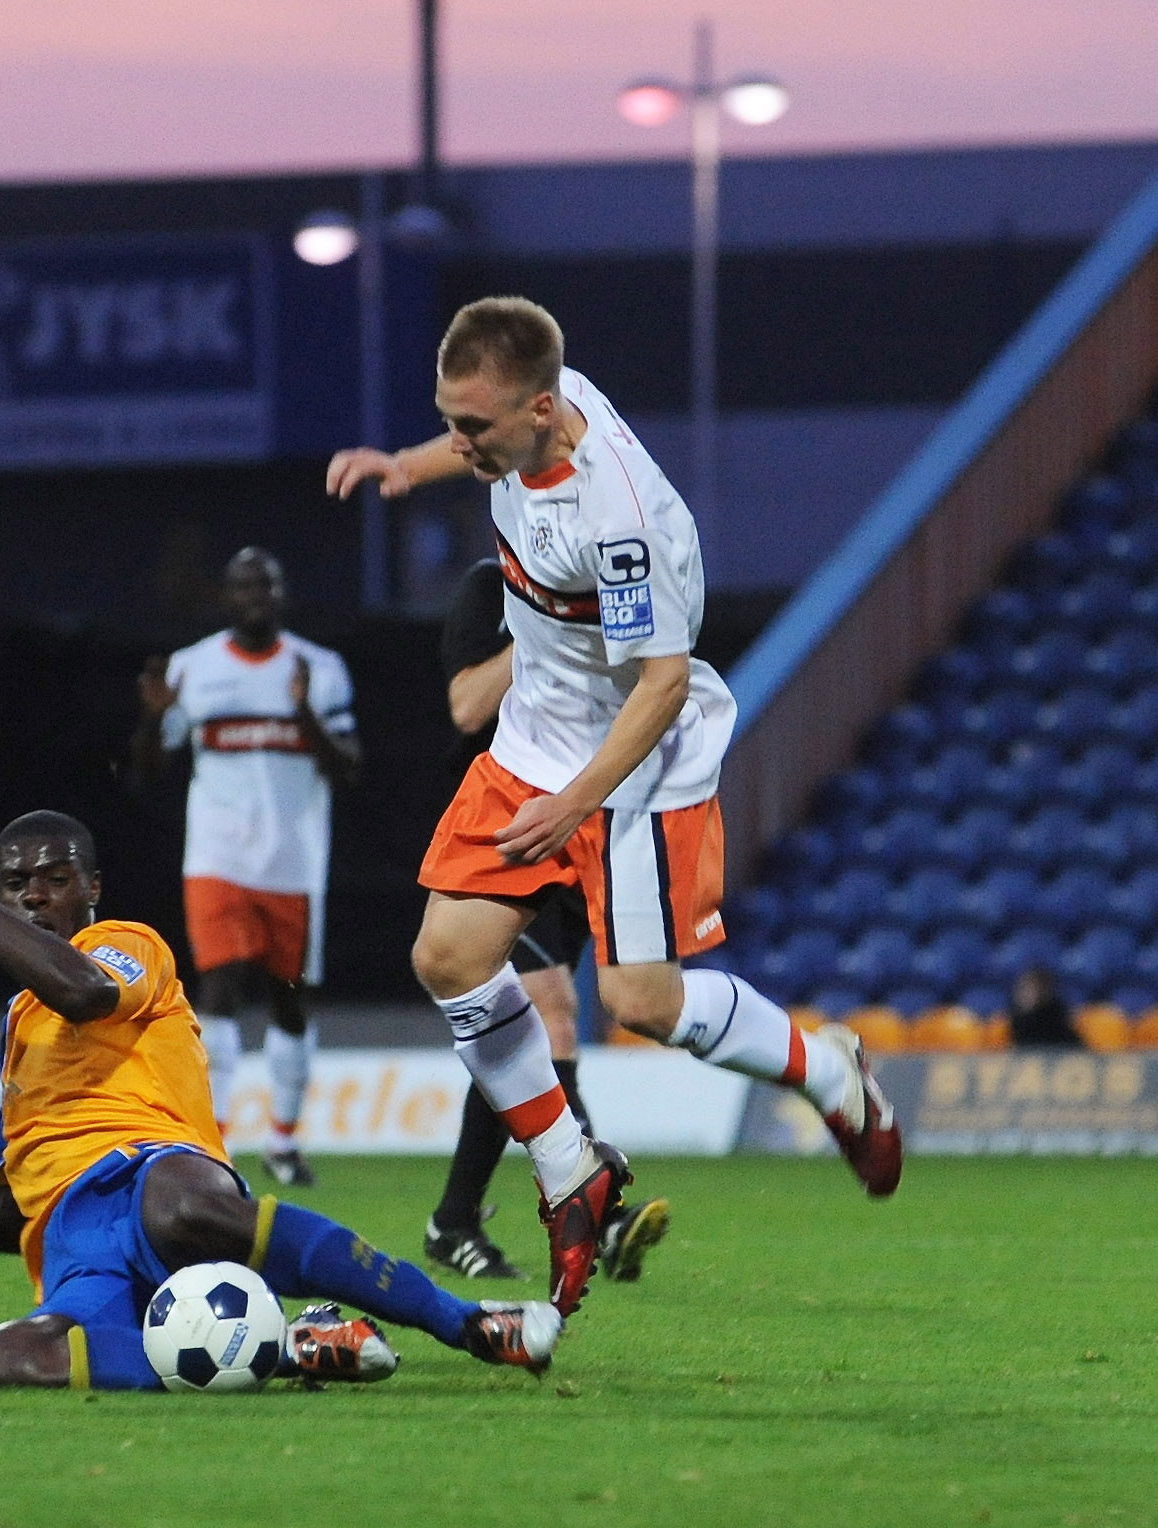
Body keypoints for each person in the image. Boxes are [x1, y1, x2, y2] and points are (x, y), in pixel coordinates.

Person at [327, 296, 900, 1319]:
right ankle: (566, 1166)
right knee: (447, 955)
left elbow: (660, 687)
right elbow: (473, 435)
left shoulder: (617, 526)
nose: (460, 442)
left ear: (540, 412)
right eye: (445, 420)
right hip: (536, 736)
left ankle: (825, 1066)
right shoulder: (546, 407)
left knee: (638, 1003)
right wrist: (405, 466)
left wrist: (572, 807)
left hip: (635, 762)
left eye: (472, 429)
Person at [0, 802, 563, 1391]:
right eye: (13, 885)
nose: (33, 895)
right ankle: (291, 1346)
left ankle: (462, 1321)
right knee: (2, 1359)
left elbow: (82, 994)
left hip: (156, 1180)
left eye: (53, 878)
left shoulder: (126, 949)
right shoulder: (15, 1039)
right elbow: (9, 1215)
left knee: (175, 1208)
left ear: (91, 886)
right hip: (77, 1245)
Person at [423, 557, 669, 1284]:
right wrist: (538, 626)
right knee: (549, 1011)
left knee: (515, 1029)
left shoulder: (619, 591)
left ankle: (454, 1218)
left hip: (581, 829)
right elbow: (466, 706)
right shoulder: (483, 589)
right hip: (505, 830)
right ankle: (594, 1202)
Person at [128, 547, 359, 1188]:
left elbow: (349, 769)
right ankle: (215, 1144)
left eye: (267, 585)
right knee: (220, 992)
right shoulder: (192, 668)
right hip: (217, 856)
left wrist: (304, 713)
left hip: (294, 862)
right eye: (242, 587)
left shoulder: (321, 669)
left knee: (290, 1005)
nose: (255, 597)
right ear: (225, 597)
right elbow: (147, 770)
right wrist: (152, 720)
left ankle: (283, 1143)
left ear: (283, 595)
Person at [1007, 967, 1082, 1048]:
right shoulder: (1013, 1018)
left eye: (1031, 989)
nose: (1025, 994)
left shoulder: (1057, 1018)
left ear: (1045, 991)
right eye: (1023, 988)